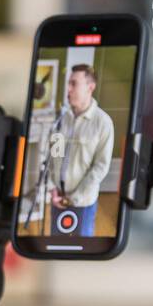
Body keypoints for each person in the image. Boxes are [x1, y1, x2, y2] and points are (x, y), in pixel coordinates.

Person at [48, 63, 115, 237]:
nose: (68, 89)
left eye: (74, 84)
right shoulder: (61, 119)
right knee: (56, 250)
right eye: (68, 84)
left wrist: (72, 198)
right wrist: (54, 190)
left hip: (82, 204)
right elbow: (54, 157)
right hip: (57, 201)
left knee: (80, 248)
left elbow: (101, 167)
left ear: (90, 88)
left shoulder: (103, 122)